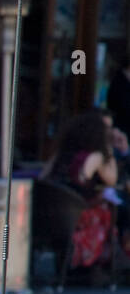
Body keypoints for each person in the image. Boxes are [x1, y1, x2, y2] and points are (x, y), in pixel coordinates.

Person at [42, 110, 120, 279]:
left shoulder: (61, 154)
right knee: (113, 212)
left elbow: (43, 177)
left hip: (51, 215)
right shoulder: (96, 156)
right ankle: (101, 266)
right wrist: (110, 151)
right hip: (78, 216)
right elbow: (112, 179)